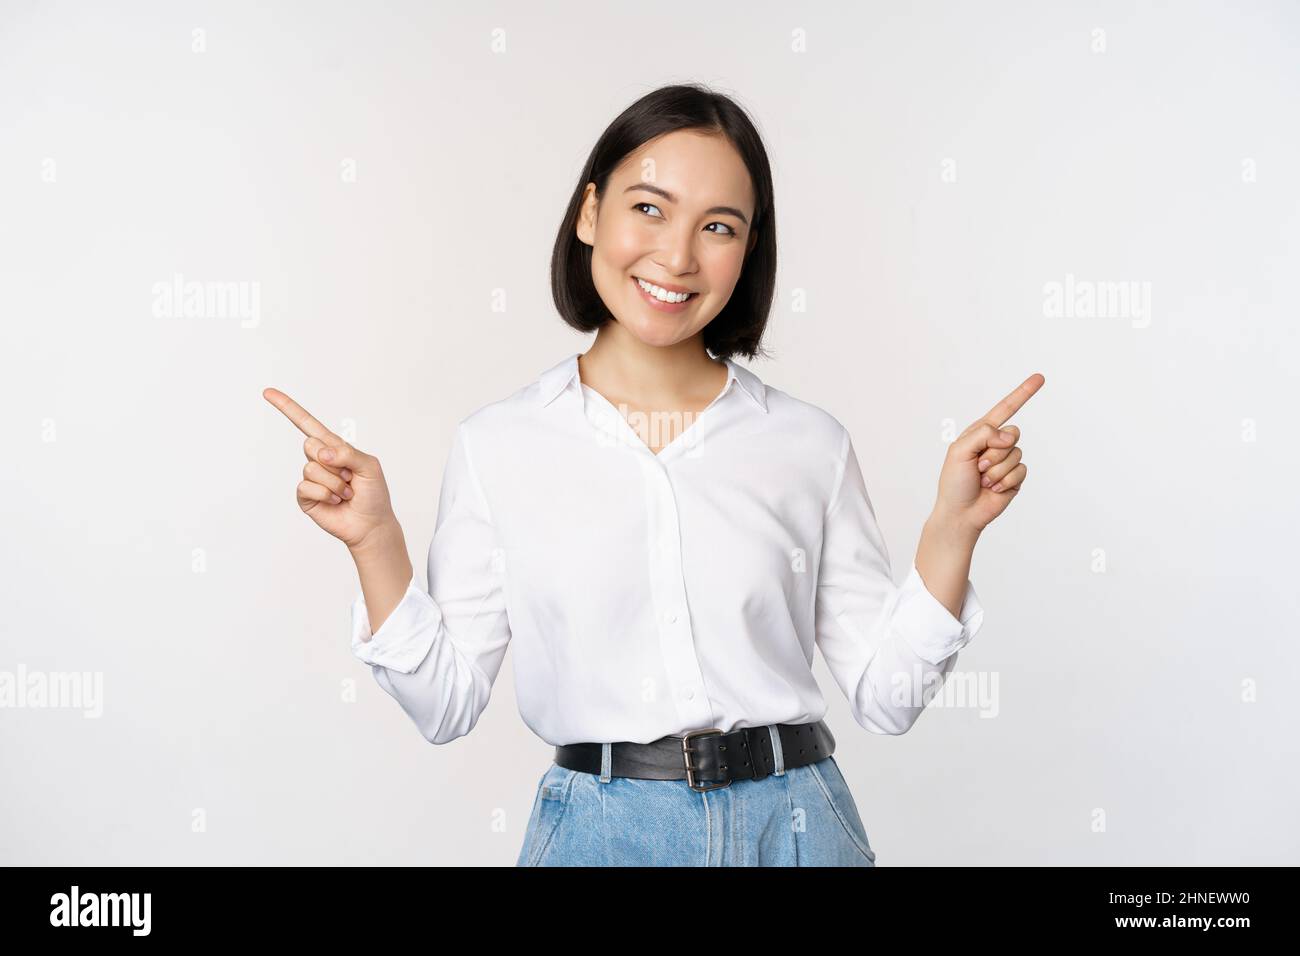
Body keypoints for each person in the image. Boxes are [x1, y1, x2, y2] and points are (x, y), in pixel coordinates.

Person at [263, 83, 1042, 866]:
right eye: (648, 208)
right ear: (590, 212)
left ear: (749, 249)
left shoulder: (808, 445)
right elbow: (443, 705)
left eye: (718, 227)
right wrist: (375, 542)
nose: (677, 256)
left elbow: (889, 697)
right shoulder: (498, 445)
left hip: (798, 827)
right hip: (600, 837)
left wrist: (953, 529)